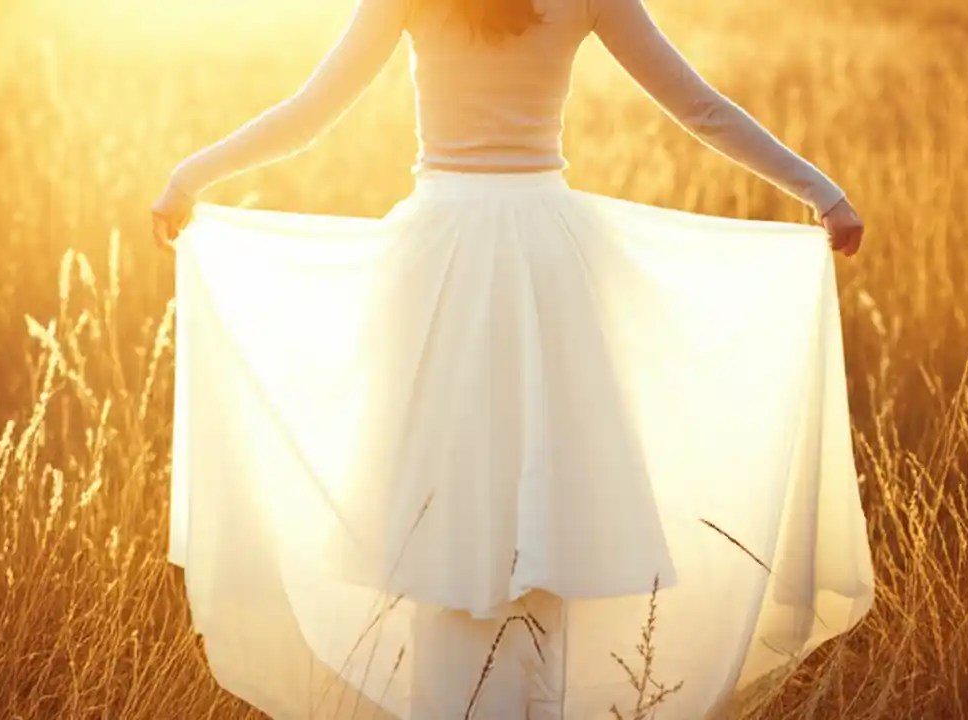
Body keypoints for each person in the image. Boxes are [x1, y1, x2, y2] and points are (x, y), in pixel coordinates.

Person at [154, 0, 874, 718]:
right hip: (545, 258)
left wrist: (191, 175)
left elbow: (312, 111)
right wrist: (822, 192)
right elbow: (698, 107)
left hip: (440, 257)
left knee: (441, 509)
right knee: (546, 500)